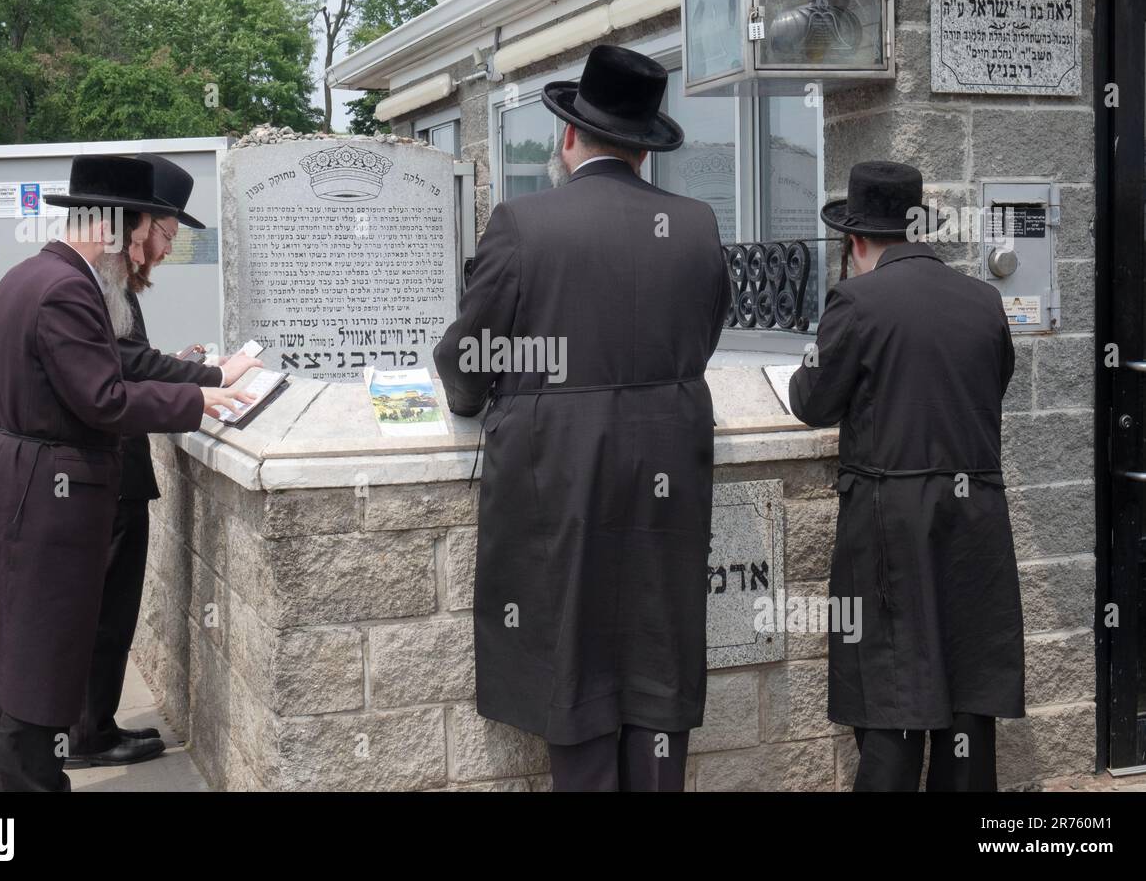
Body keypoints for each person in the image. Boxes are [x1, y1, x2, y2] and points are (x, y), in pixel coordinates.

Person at [434, 44, 733, 791]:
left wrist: (481, 401)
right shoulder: (696, 225)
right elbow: (704, 335)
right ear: (642, 148)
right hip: (668, 460)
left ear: (569, 138)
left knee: (574, 658)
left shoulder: (523, 225)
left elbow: (466, 359)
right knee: (658, 649)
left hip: (560, 470)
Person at [0, 154, 253, 791]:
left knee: (23, 658)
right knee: (36, 660)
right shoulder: (67, 289)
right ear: (123, 228)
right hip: (46, 495)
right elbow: (104, 398)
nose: (161, 253)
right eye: (162, 235)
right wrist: (199, 399)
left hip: (28, 481)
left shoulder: (36, 275)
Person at [789, 160, 1025, 791]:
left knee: (892, 700)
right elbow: (993, 386)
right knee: (966, 698)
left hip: (889, 524)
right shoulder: (984, 301)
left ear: (855, 242)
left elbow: (810, 400)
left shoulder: (855, 301)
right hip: (974, 520)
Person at [65, 153, 262, 768]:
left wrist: (181, 369)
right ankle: (84, 732)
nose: (167, 248)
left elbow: (130, 360)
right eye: (167, 234)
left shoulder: (105, 280)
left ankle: (91, 725)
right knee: (101, 611)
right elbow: (126, 366)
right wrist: (210, 376)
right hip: (105, 477)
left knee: (109, 611)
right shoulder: (91, 280)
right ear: (139, 224)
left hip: (112, 473)